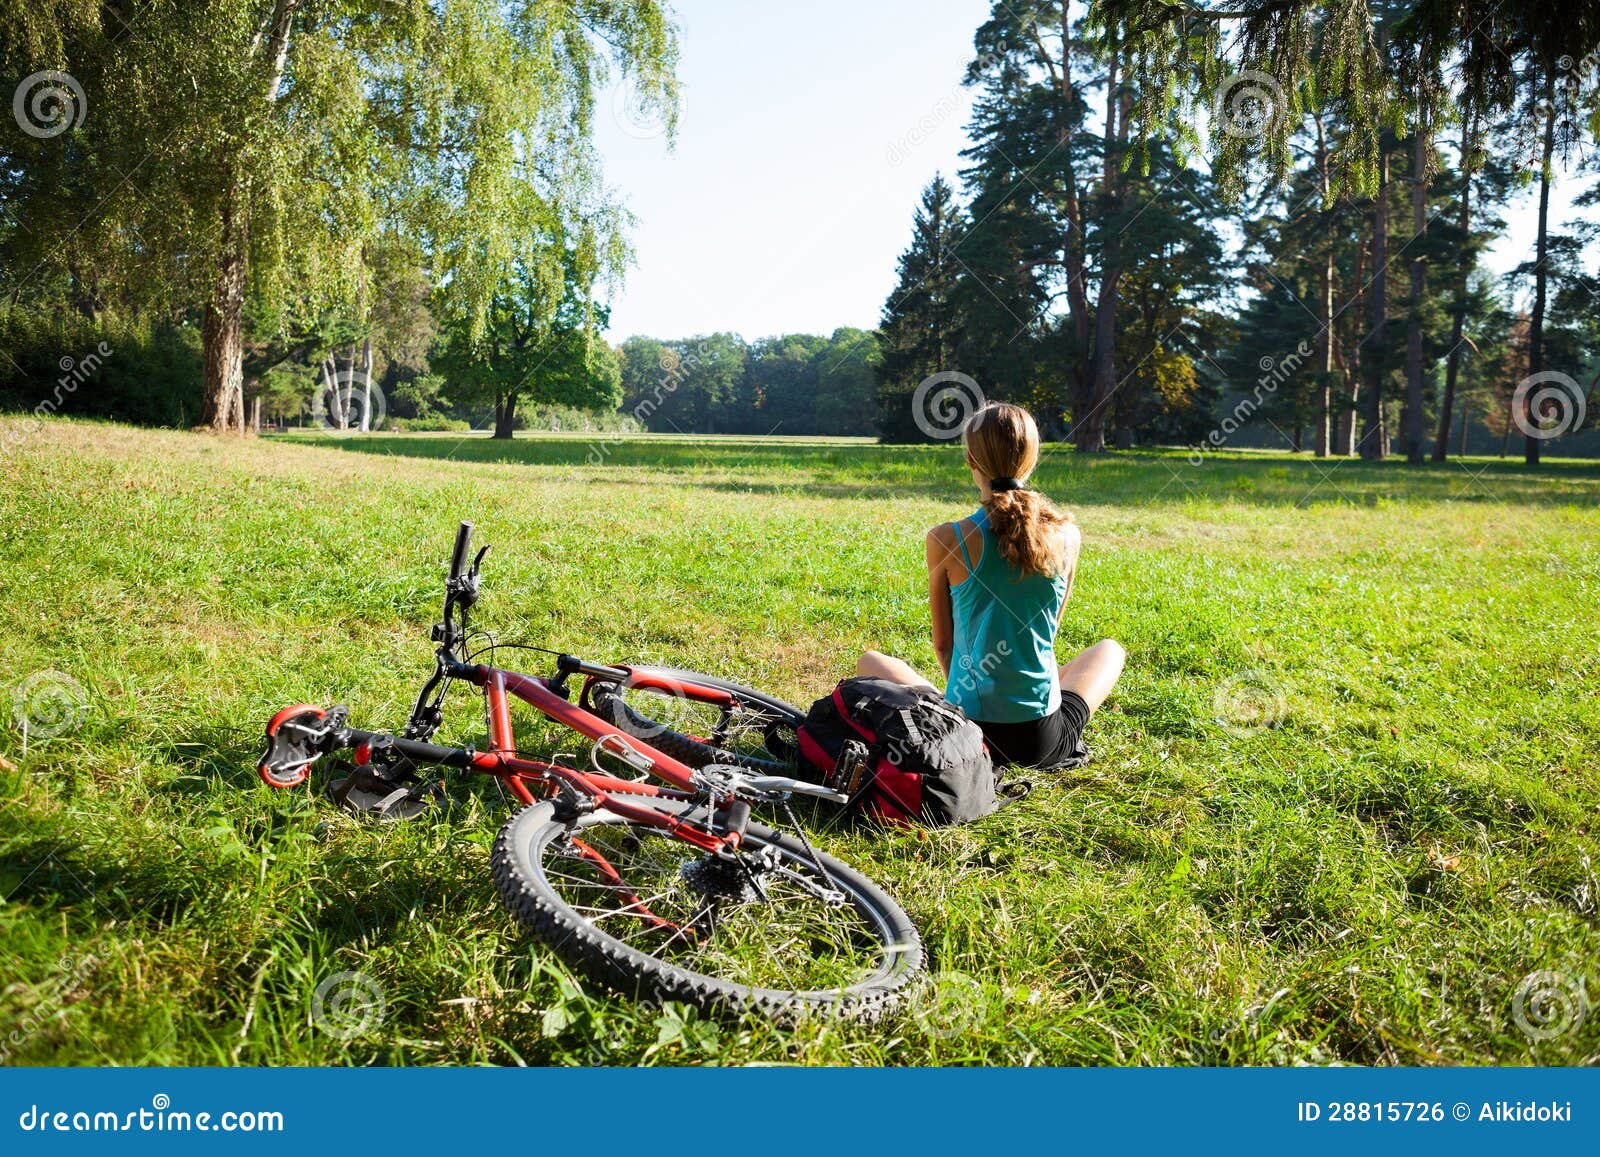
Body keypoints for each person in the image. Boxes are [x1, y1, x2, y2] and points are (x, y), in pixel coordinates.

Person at [857, 402, 1124, 769]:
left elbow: (943, 643)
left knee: (870, 661)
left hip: (967, 737)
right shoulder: (1068, 535)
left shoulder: (946, 538)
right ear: (1031, 461)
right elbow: (1048, 635)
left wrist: (959, 704)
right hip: (1041, 739)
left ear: (970, 460)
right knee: (1110, 651)